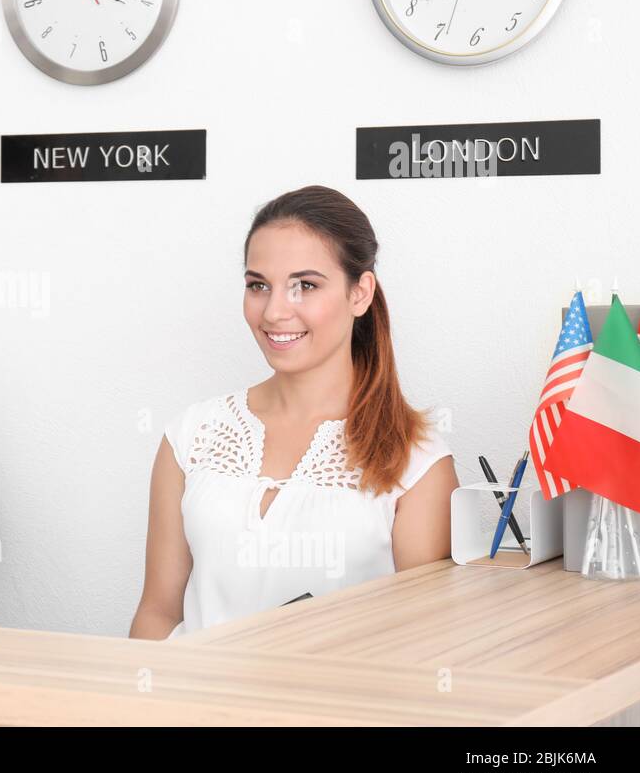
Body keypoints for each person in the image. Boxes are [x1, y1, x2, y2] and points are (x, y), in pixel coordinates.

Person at [130, 184, 458, 639]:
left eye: (304, 285)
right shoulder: (191, 436)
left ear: (360, 293)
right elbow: (158, 613)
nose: (274, 311)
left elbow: (424, 642)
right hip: (192, 706)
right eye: (258, 286)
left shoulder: (418, 463)